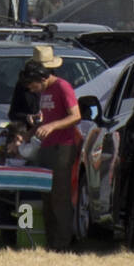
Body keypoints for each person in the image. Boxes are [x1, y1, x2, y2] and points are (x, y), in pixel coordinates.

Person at [20, 51, 82, 251]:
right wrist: (28, 134)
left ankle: (63, 244)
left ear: (42, 76)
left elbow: (76, 116)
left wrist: (53, 126)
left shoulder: (62, 87)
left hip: (62, 146)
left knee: (60, 196)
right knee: (46, 197)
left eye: (32, 85)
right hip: (46, 147)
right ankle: (50, 242)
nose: (31, 89)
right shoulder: (44, 91)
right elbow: (46, 120)